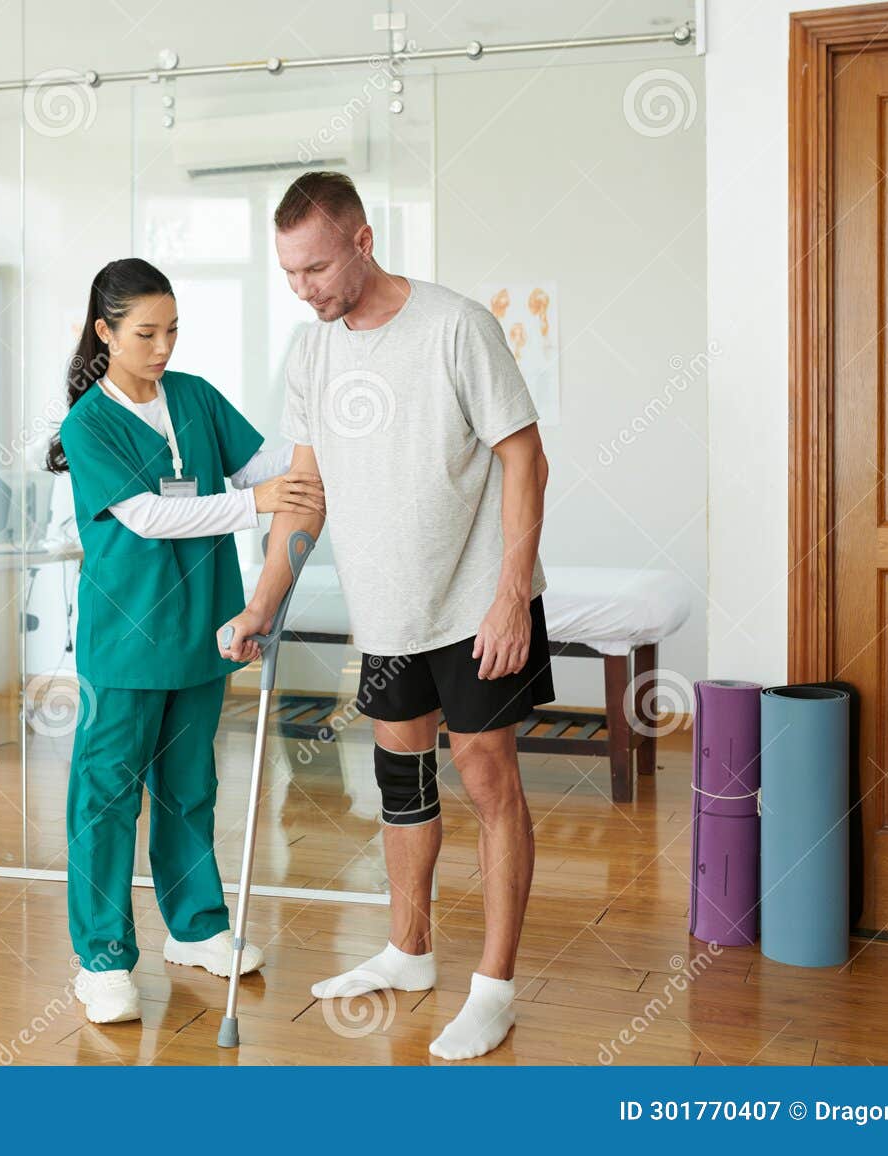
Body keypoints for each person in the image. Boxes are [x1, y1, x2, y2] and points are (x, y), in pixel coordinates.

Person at [220, 172, 553, 1060]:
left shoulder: (455, 325)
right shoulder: (311, 351)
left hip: (478, 600)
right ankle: (409, 951)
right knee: (402, 786)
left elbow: (525, 459)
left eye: (317, 268)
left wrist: (512, 592)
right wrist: (260, 605)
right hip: (389, 611)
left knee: (489, 783)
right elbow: (305, 493)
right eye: (289, 274)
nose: (305, 289)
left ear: (363, 242)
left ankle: (495, 988)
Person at [50, 258, 326, 1024]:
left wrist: (317, 428)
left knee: (189, 785)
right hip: (128, 641)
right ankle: (101, 958)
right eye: (145, 333)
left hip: (205, 629)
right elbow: (147, 515)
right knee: (106, 799)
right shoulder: (90, 422)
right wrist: (252, 502)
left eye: (172, 330)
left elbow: (268, 463)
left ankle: (196, 927)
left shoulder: (196, 398)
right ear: (105, 333)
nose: (163, 346)